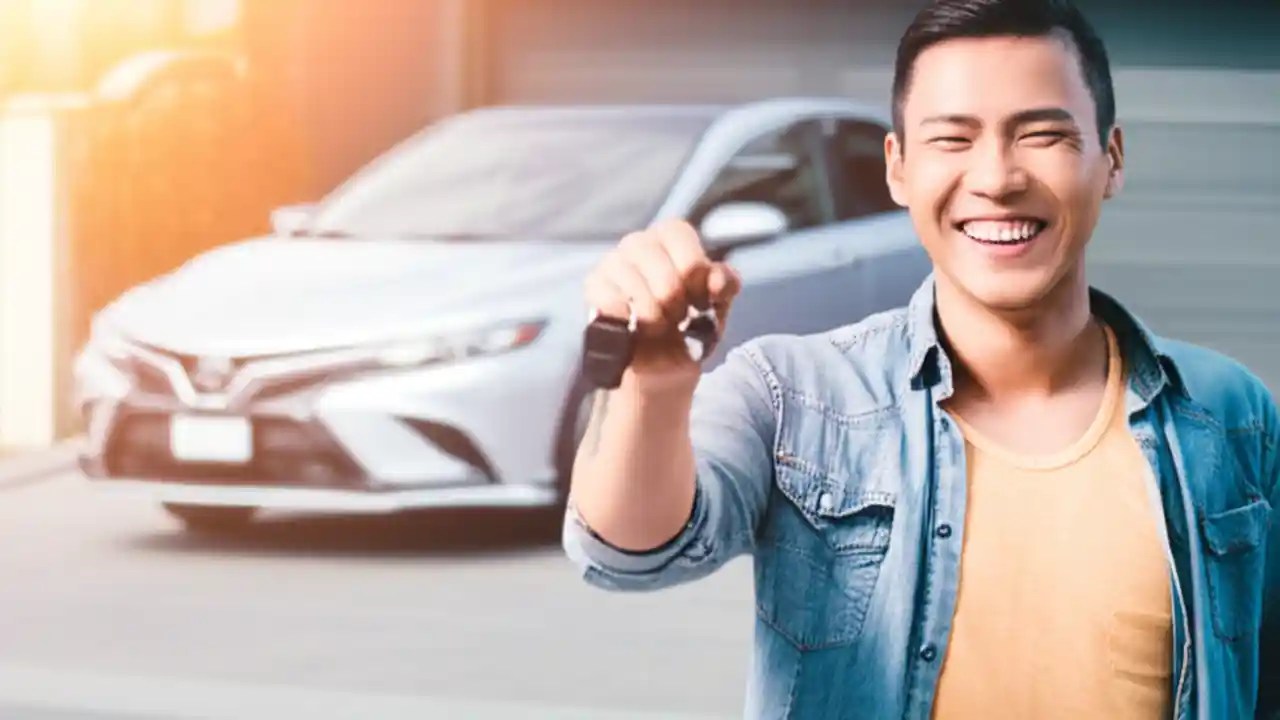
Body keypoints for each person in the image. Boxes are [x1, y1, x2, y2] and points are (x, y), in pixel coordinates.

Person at [562, 0, 1279, 717]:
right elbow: (629, 553)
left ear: (1111, 159)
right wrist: (651, 390)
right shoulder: (794, 394)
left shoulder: (1231, 413)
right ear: (898, 168)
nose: (996, 178)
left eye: (1041, 135)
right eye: (952, 140)